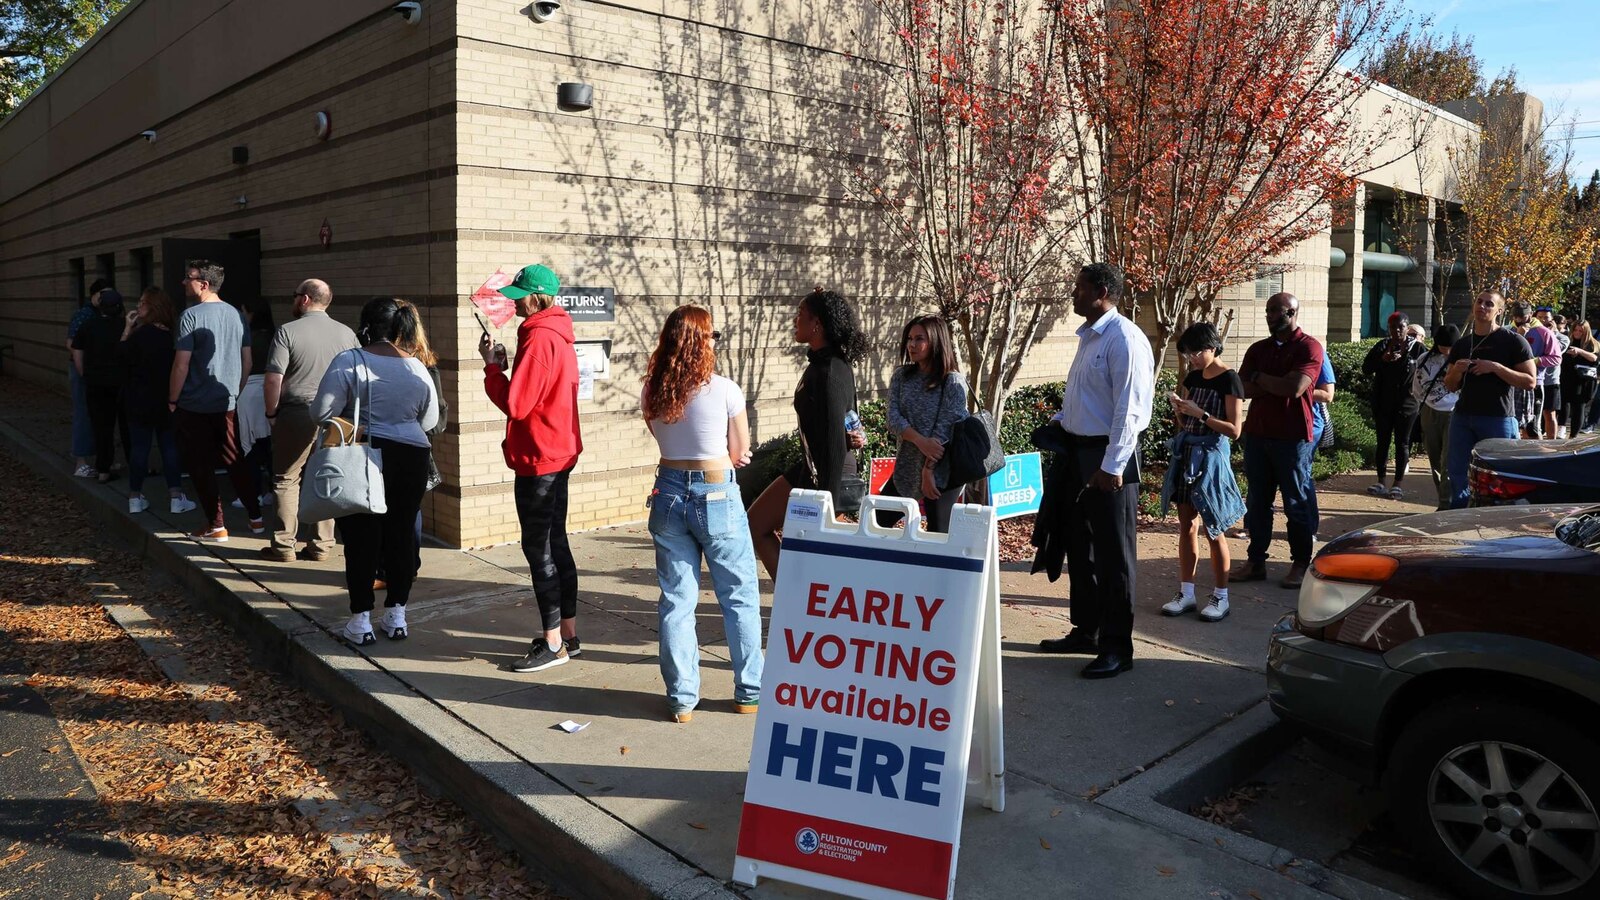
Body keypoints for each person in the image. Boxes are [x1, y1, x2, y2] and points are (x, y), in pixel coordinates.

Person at [641, 306, 764, 723]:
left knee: (677, 601)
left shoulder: (653, 391)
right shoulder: (725, 390)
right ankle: (748, 692)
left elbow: (663, 438)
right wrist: (733, 454)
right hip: (716, 492)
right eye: (712, 335)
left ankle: (682, 699)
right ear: (701, 341)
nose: (714, 341)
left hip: (668, 491)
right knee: (738, 596)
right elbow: (738, 450)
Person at [1032, 263, 1154, 679]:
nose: (1073, 293)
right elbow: (1090, 397)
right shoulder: (1089, 337)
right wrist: (1061, 420)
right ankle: (1087, 630)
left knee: (1113, 555)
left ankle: (1117, 646)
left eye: (1079, 288)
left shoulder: (1125, 339)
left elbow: (1129, 410)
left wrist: (1113, 464)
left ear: (1101, 292)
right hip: (1077, 456)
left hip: (1108, 460)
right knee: (1079, 548)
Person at [314, 298, 439, 645]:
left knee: (361, 539)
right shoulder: (416, 366)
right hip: (412, 456)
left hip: (365, 454)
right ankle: (397, 616)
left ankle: (361, 620)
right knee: (401, 536)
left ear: (365, 327)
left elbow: (320, 412)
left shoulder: (349, 360)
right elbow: (429, 420)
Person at [481, 264, 584, 673]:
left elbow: (517, 404)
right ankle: (568, 636)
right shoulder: (556, 332)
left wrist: (492, 368)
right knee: (556, 544)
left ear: (537, 296)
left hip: (540, 457)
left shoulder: (539, 337)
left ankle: (554, 644)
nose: (514, 302)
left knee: (539, 548)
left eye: (519, 295)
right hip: (557, 451)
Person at [747, 289, 868, 577]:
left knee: (802, 549)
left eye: (801, 314)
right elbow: (848, 421)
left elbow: (835, 442)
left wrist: (827, 503)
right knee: (755, 523)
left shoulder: (830, 371)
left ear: (817, 324)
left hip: (828, 474)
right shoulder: (822, 365)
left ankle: (800, 595)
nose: (794, 320)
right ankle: (794, 592)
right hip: (811, 467)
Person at [260, 279, 360, 562]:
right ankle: (321, 545)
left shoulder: (287, 332)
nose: (293, 301)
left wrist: (271, 413)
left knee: (286, 478)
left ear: (304, 299)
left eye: (295, 296)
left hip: (297, 412)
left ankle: (283, 546)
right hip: (337, 417)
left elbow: (273, 379)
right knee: (326, 475)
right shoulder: (347, 334)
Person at [1230, 292, 1324, 590]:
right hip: (1258, 434)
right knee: (1258, 502)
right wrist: (1275, 381)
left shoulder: (1309, 347)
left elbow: (1295, 388)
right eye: (1268, 311)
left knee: (1295, 502)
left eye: (1275, 311)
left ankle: (1300, 563)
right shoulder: (1259, 349)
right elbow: (1243, 389)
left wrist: (1261, 377)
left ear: (1292, 313)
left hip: (1293, 438)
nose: (1269, 316)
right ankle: (1256, 561)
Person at [167, 260, 263, 541]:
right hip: (227, 401)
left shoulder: (190, 316)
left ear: (204, 284)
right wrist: (236, 391)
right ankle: (256, 518)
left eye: (189, 278)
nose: (184, 282)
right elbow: (247, 360)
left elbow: (181, 364)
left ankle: (216, 524)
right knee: (235, 458)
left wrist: (172, 399)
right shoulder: (237, 315)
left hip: (194, 404)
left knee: (200, 464)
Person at [1159, 323, 1245, 623]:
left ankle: (1221, 596)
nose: (1191, 359)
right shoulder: (1193, 377)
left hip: (1211, 460)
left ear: (1211, 347)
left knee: (1214, 528)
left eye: (1195, 353)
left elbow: (1234, 430)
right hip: (1187, 455)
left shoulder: (1230, 379)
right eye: (1187, 354)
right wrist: (1181, 411)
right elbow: (1187, 424)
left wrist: (1202, 413)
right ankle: (1186, 592)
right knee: (1187, 525)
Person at [1443, 292, 1536, 508]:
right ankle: (1460, 515)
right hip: (1463, 417)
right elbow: (1450, 385)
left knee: (1500, 474)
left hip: (1498, 417)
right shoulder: (1462, 344)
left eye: (1489, 304)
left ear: (1499, 311)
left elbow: (1530, 381)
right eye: (1479, 302)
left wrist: (1495, 368)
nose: (1482, 306)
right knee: (1457, 472)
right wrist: (1457, 371)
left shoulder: (1513, 341)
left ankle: (1495, 517)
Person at [377, 309, 448, 586]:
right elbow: (437, 418)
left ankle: (394, 570)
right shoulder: (425, 362)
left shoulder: (404, 363)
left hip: (401, 444)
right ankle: (406, 567)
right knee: (407, 508)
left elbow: (435, 419)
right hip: (416, 444)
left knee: (393, 510)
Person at [879, 315, 968, 533]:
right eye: (910, 338)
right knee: (877, 521)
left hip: (942, 471)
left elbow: (944, 431)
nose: (912, 344)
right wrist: (920, 440)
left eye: (919, 339)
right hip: (907, 467)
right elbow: (892, 418)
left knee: (938, 534)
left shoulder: (952, 381)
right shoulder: (902, 376)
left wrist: (929, 471)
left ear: (936, 341)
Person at [118, 288, 196, 515]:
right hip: (166, 398)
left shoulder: (139, 335)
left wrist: (126, 329)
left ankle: (135, 496)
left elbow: (120, 357)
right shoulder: (171, 337)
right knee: (169, 447)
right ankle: (176, 496)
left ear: (154, 307)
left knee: (139, 448)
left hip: (138, 399)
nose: (138, 306)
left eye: (143, 302)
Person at [1362, 311, 1426, 499]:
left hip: (1408, 404)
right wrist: (1383, 359)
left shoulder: (1418, 349)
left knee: (1402, 442)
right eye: (1393, 327)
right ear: (1388, 328)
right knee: (1382, 442)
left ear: (1407, 327)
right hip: (1383, 402)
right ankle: (1381, 481)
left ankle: (1398, 484)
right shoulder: (1382, 346)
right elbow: (1366, 368)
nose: (1397, 330)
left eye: (1401, 327)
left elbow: (1428, 373)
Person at [70, 287, 131, 482]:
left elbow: (76, 351)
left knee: (101, 427)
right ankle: (135, 464)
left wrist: (84, 374)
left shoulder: (88, 326)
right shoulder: (126, 326)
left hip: (96, 382)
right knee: (128, 426)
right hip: (121, 382)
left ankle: (103, 468)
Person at [1411, 324, 1459, 510]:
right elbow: (1416, 387)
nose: (1447, 351)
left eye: (1450, 347)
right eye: (1443, 346)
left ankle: (1446, 504)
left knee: (1448, 459)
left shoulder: (1462, 361)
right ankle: (1443, 497)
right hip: (1429, 411)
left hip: (1454, 412)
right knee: (1434, 458)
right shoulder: (1424, 359)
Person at [68, 280, 111, 478]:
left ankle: (100, 459)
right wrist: (84, 372)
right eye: (102, 294)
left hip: (95, 371)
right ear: (94, 295)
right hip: (84, 370)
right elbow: (72, 345)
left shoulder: (101, 315)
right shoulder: (83, 315)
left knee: (98, 415)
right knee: (83, 413)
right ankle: (81, 461)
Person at [1535, 306, 1569, 439]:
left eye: (1546, 318)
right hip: (1534, 379)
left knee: (1549, 414)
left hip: (1550, 381)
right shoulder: (1532, 334)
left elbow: (1557, 351)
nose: (1543, 320)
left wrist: (1552, 333)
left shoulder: (1562, 338)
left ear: (1552, 320)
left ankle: (1551, 442)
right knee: (1532, 414)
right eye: (1540, 318)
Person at [1561, 321, 1598, 436]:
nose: (1577, 333)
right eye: (1575, 330)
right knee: (1564, 403)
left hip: (1583, 380)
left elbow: (1594, 358)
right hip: (1567, 377)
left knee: (1578, 407)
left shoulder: (1592, 344)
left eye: (1580, 331)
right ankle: (1561, 429)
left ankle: (1573, 435)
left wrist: (1580, 351)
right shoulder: (1568, 340)